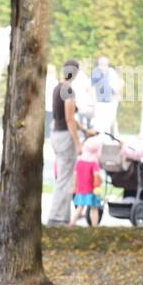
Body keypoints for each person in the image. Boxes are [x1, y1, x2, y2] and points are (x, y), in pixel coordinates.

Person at [47, 59, 84, 226]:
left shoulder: (57, 88)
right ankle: (56, 217)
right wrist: (78, 143)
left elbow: (62, 116)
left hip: (56, 135)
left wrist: (85, 130)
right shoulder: (68, 90)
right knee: (65, 178)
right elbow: (69, 119)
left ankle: (63, 216)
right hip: (65, 137)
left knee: (64, 177)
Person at [71, 135, 104, 226]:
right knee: (94, 208)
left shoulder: (79, 161)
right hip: (92, 190)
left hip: (81, 189)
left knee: (80, 207)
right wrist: (100, 183)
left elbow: (75, 175)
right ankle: (94, 227)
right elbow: (96, 176)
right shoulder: (94, 162)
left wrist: (75, 187)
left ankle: (71, 224)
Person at [90, 55, 120, 135]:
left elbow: (117, 85)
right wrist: (93, 101)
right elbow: (91, 87)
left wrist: (116, 96)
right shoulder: (95, 72)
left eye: (105, 64)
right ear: (99, 64)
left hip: (110, 101)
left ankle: (108, 136)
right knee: (99, 121)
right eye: (101, 63)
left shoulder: (111, 72)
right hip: (99, 101)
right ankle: (99, 137)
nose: (103, 66)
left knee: (109, 120)